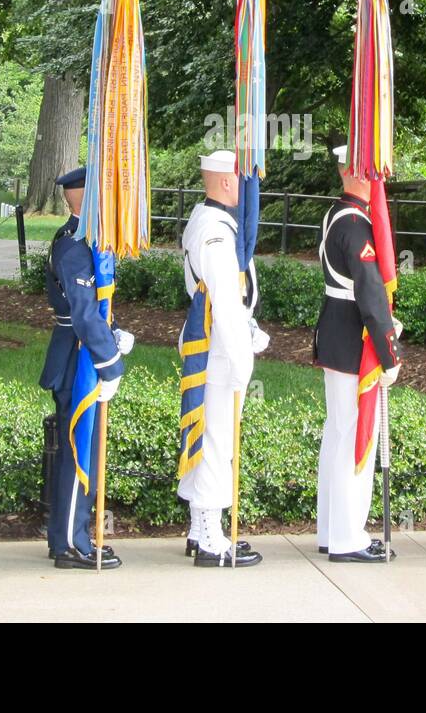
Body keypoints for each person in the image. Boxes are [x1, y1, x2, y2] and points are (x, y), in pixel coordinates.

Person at [176, 150, 267, 567]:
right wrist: (241, 355)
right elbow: (225, 302)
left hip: (218, 343)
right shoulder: (215, 230)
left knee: (210, 435)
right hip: (218, 349)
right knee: (217, 441)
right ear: (228, 183)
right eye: (244, 181)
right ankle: (213, 540)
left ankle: (200, 527)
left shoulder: (213, 222)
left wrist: (249, 330)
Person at [41, 167, 135, 569]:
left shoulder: (88, 242)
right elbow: (81, 313)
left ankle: (74, 534)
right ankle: (68, 543)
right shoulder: (73, 246)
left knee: (85, 448)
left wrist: (114, 333)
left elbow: (96, 311)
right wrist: (110, 362)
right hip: (75, 356)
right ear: (83, 197)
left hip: (87, 351)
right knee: (76, 450)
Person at [314, 145, 400, 563]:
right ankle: (348, 538)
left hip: (335, 330)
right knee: (353, 437)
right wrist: (390, 352)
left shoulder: (336, 214)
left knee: (338, 432)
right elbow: (370, 294)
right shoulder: (356, 226)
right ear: (359, 173)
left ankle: (332, 530)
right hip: (353, 336)